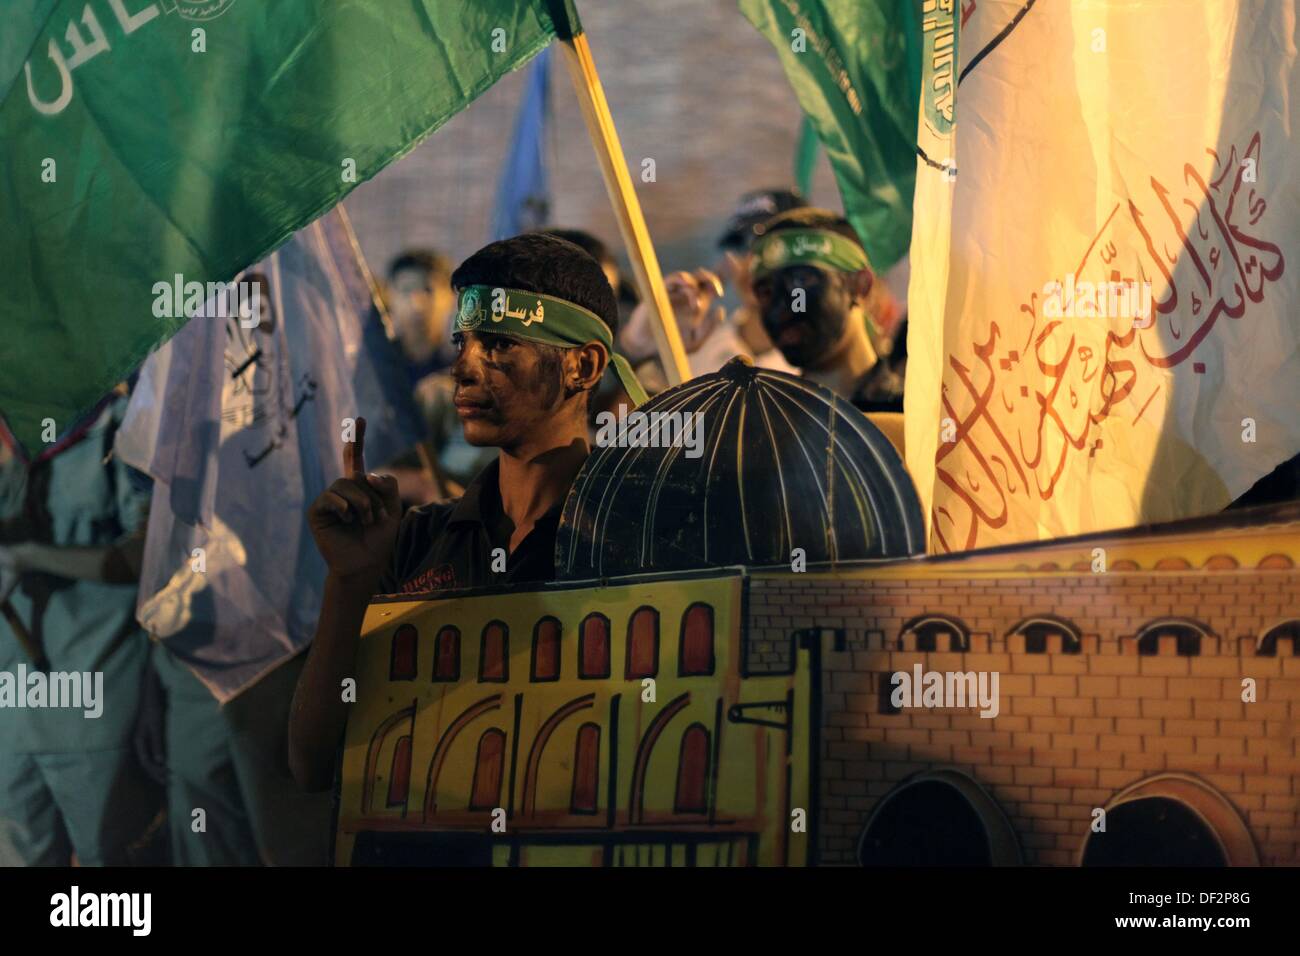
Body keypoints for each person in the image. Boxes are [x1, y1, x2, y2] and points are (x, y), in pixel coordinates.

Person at [288, 233, 646, 792]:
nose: (464, 367)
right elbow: (314, 763)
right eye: (463, 341)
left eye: (500, 345)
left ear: (582, 365)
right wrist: (349, 582)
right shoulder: (417, 539)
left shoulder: (639, 537)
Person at [0, 388, 159, 865]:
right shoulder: (13, 433)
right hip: (14, 711)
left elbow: (149, 553)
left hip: (96, 698)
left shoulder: (119, 424)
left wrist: (29, 557)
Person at [749, 207, 905, 414]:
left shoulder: (917, 419)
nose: (783, 306)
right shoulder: (767, 426)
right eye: (766, 292)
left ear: (860, 285)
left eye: (801, 281)